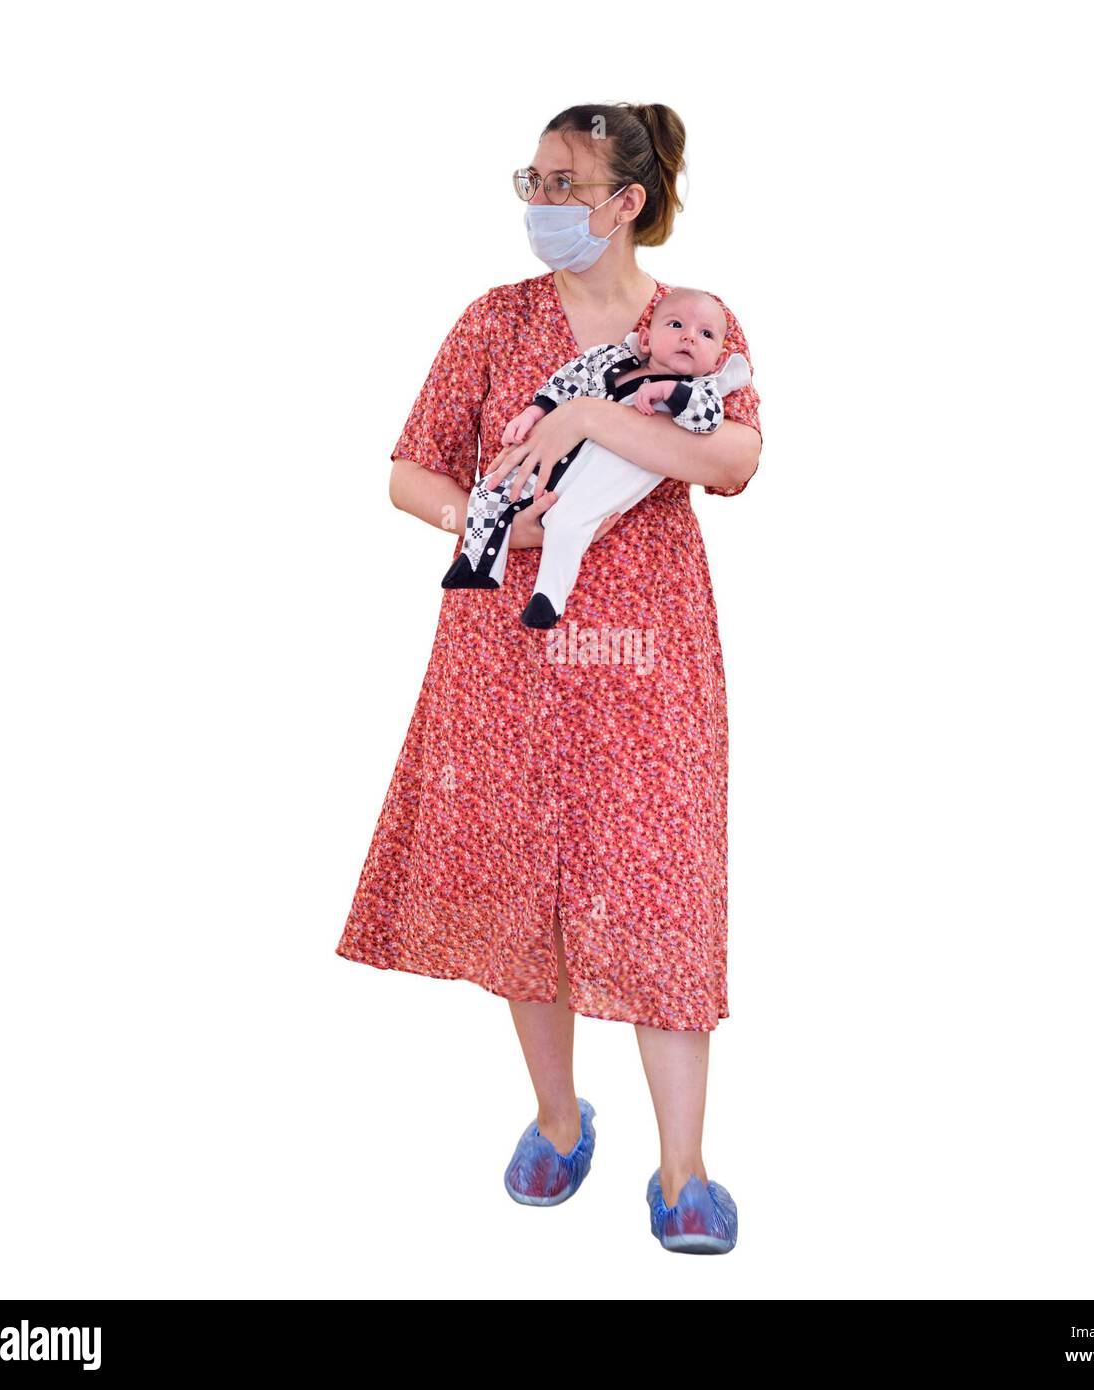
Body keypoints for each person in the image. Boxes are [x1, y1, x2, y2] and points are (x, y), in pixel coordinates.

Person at [335, 101, 762, 1255]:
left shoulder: (695, 322)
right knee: (524, 883)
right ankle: (559, 1115)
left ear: (625, 203)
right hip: (505, 652)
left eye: (562, 182)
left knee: (661, 888)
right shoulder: (493, 319)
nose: (539, 201)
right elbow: (409, 470)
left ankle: (683, 1169)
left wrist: (594, 422)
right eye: (532, 176)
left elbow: (732, 457)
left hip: (646, 653)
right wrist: (492, 526)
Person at [440, 285, 753, 628]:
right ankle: (476, 564)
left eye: (705, 334)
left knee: (568, 522)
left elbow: (708, 423)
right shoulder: (609, 361)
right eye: (676, 326)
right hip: (558, 463)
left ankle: (547, 599)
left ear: (719, 359)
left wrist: (670, 392)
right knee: (489, 491)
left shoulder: (702, 389)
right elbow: (565, 383)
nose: (690, 337)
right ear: (645, 339)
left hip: (610, 477)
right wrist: (532, 414)